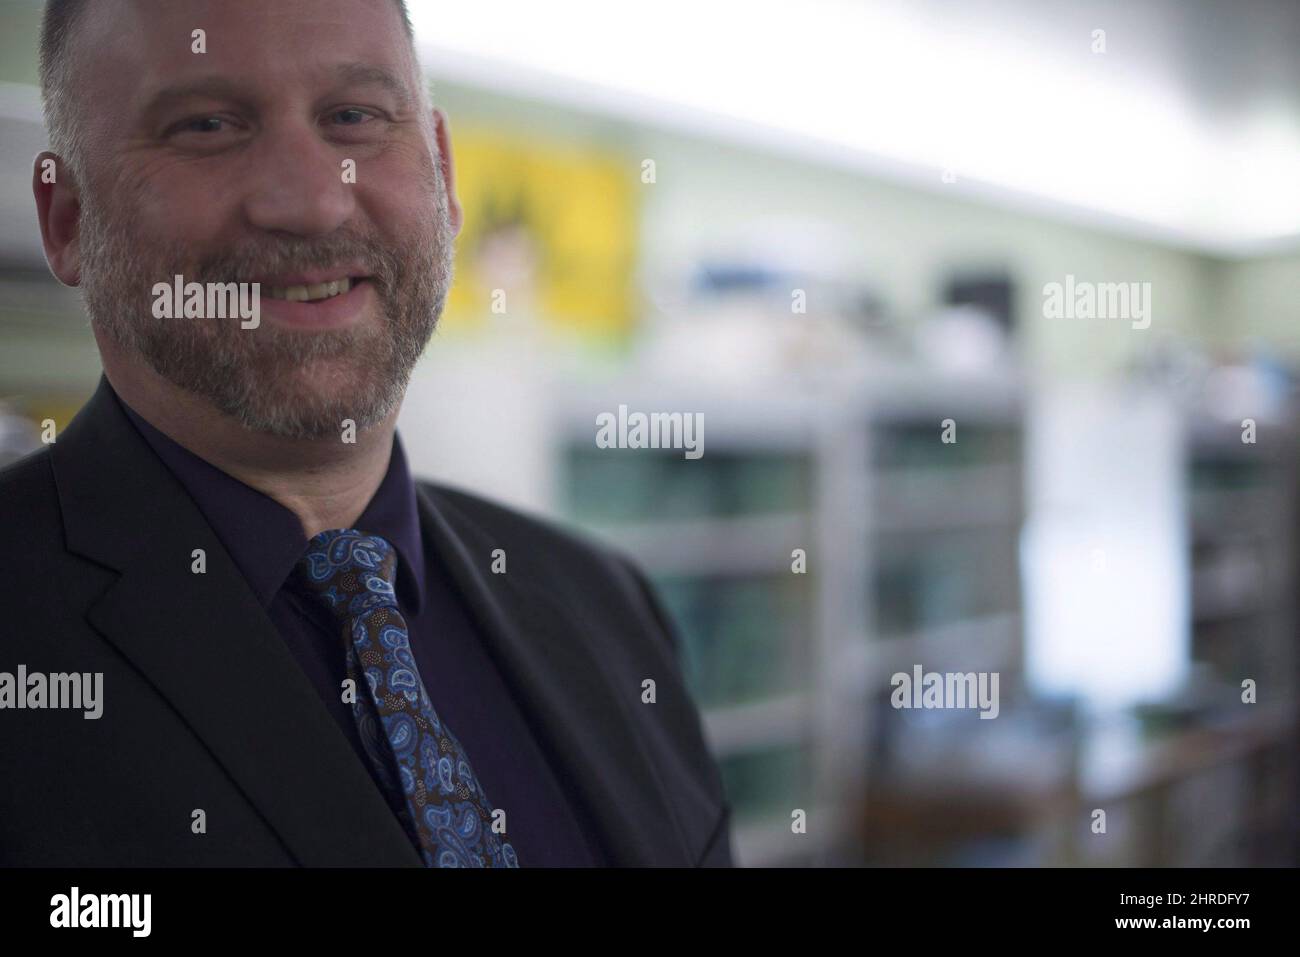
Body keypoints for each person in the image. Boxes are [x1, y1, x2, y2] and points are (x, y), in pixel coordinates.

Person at [0, 0, 732, 868]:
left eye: (353, 117)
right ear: (68, 218)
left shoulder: (608, 606)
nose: (311, 204)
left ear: (444, 174)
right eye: (206, 125)